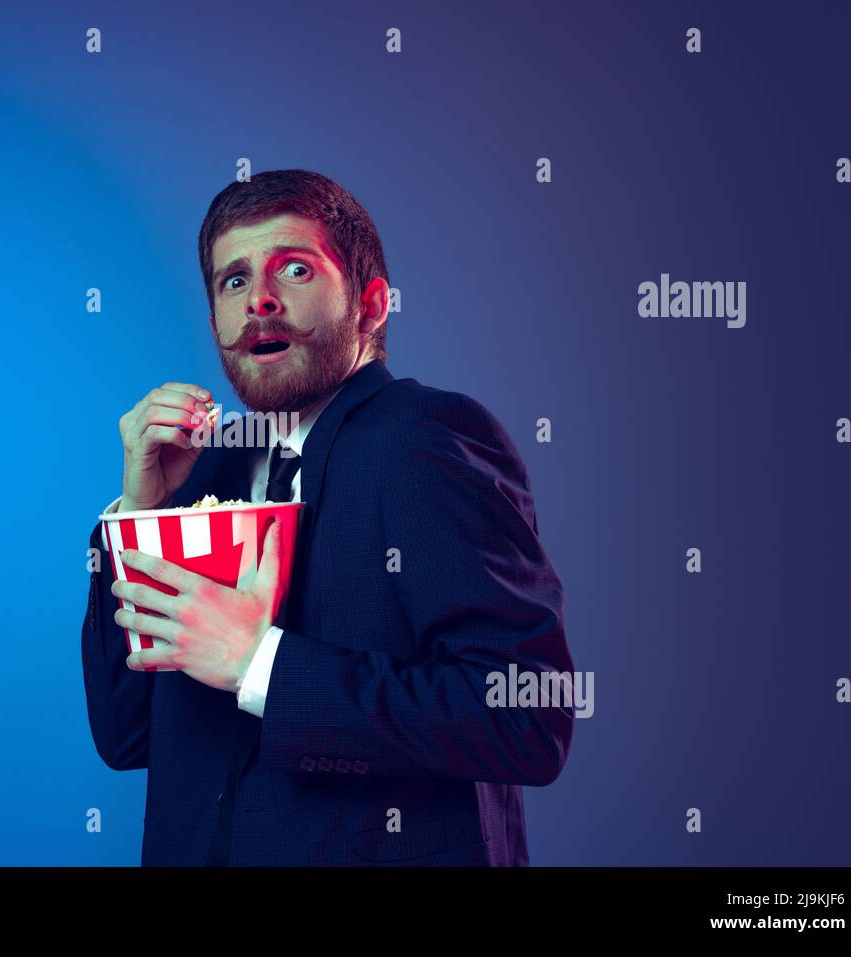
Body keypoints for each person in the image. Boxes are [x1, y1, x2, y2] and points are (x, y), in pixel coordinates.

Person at [81, 169, 574, 866]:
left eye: (295, 269)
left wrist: (258, 664)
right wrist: (140, 513)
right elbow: (125, 735)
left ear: (371, 306)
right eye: (233, 281)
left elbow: (527, 718)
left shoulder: (427, 438)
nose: (261, 300)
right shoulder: (207, 474)